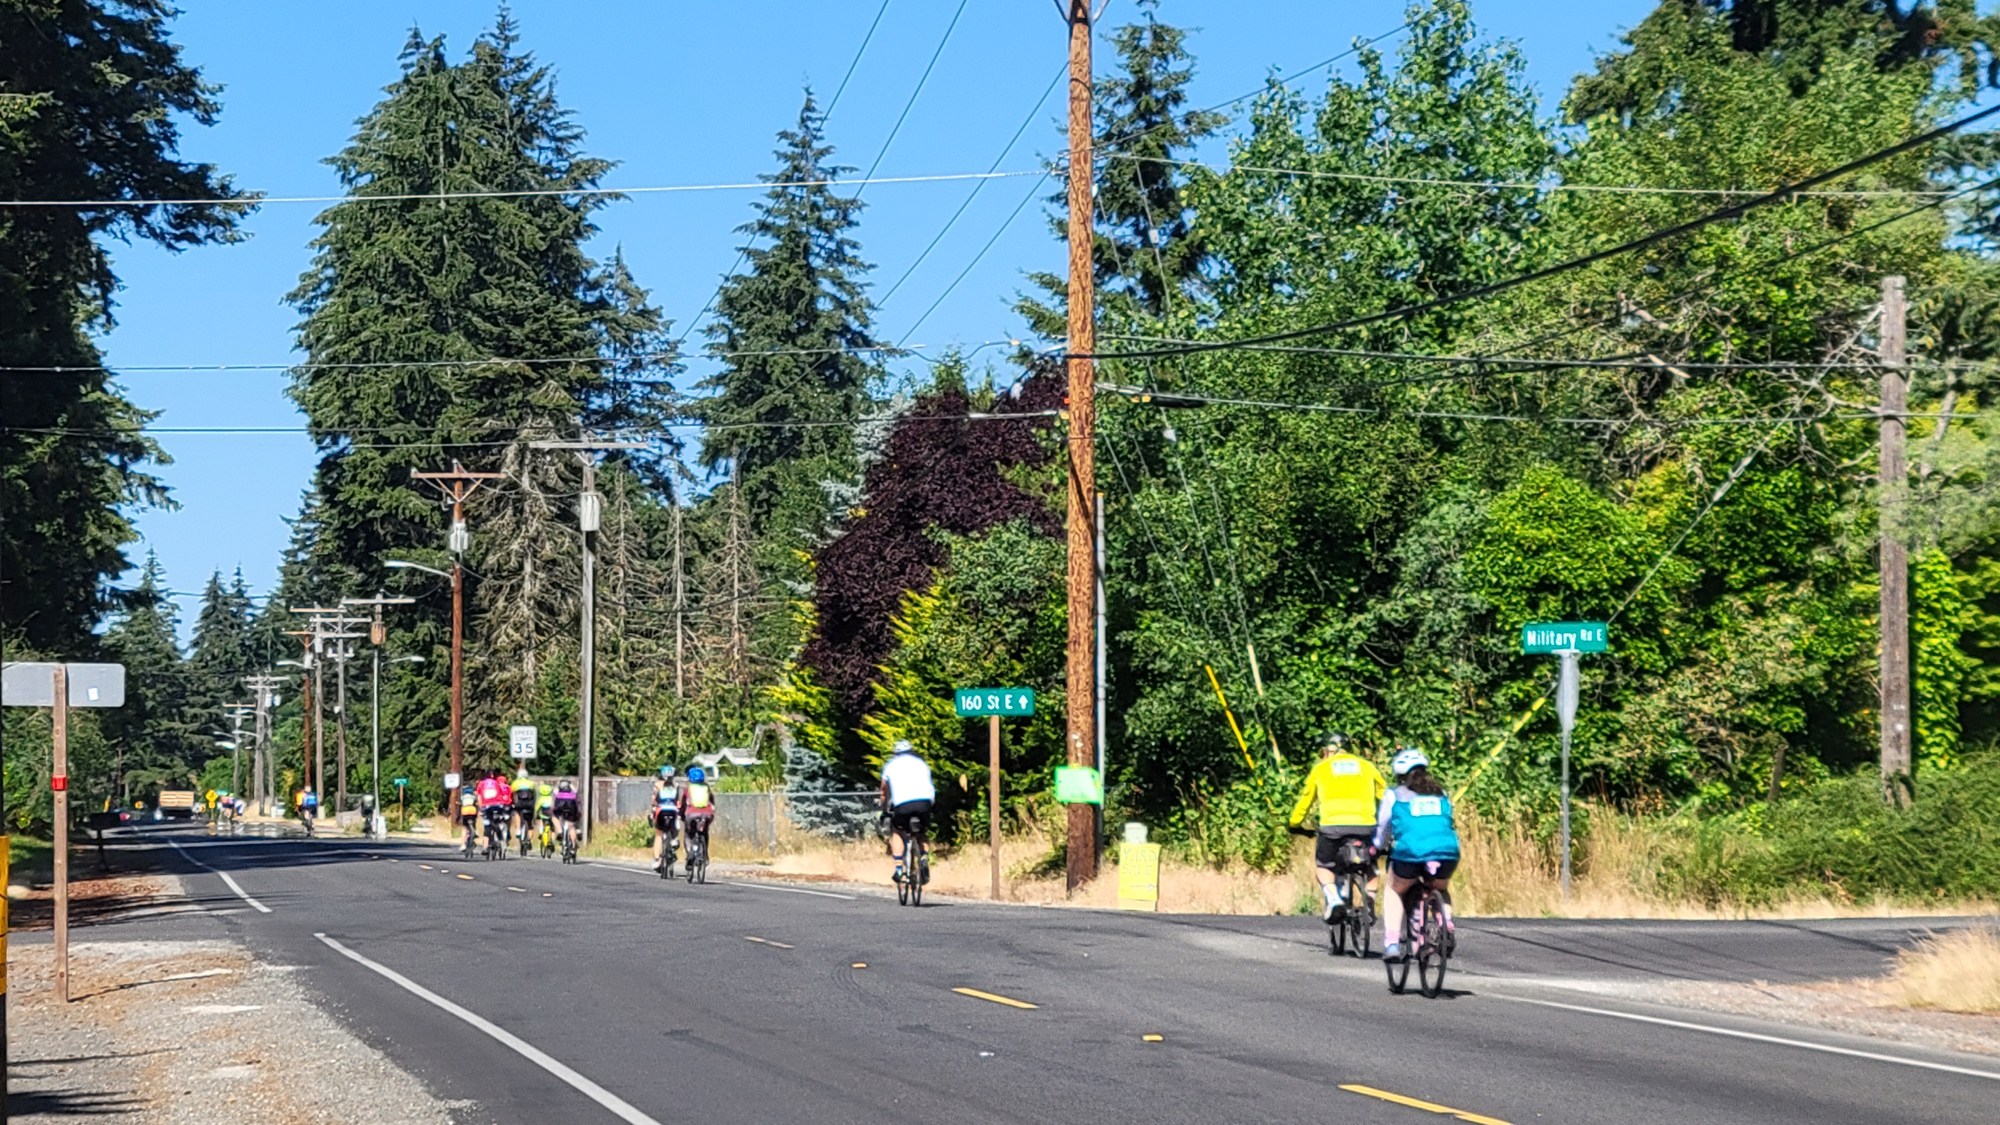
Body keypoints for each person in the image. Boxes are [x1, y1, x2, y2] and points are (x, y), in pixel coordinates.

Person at [1372, 748, 1462, 962]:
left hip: (1410, 852)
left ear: (1401, 776)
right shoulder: (1441, 793)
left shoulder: (1394, 795)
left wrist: (1376, 847)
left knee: (1394, 889)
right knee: (1440, 888)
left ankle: (1392, 943)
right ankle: (1446, 922)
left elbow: (1383, 827)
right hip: (1447, 851)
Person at [1287, 732, 1387, 923]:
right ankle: (1369, 903)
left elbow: (1306, 799)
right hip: (1365, 826)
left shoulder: (1321, 768)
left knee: (1324, 865)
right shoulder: (1367, 766)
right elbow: (1384, 795)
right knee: (1370, 866)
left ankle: (1333, 900)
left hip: (1332, 827)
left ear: (1328, 751)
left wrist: (1295, 823)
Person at [878, 740, 935, 886]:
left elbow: (884, 791)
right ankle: (923, 857)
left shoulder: (890, 765)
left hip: (903, 804)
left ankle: (898, 869)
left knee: (897, 831)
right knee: (921, 832)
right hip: (924, 802)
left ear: (895, 753)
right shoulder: (922, 763)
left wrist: (884, 809)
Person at [677, 766, 716, 874]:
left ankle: (690, 853)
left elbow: (683, 805)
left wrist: (681, 815)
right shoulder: (707, 788)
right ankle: (705, 855)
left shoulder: (688, 789)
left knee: (688, 834)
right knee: (704, 832)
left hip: (692, 814)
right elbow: (712, 801)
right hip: (707, 814)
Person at [651, 765, 680, 871]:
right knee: (675, 828)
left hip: (660, 811)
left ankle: (656, 859)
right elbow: (678, 801)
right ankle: (674, 841)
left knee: (659, 833)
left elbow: (654, 800)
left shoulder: (657, 784)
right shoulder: (676, 785)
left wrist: (652, 812)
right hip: (673, 811)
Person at [550, 779, 581, 852]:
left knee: (554, 817)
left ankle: (560, 831)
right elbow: (578, 803)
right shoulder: (573, 792)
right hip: (571, 810)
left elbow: (553, 803)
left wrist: (551, 810)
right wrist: (578, 813)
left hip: (560, 809)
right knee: (571, 827)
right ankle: (573, 845)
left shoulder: (556, 792)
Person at [511, 767, 539, 847]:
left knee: (517, 813)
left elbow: (511, 794)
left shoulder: (515, 783)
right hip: (530, 805)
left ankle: (518, 830)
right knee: (530, 824)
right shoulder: (531, 783)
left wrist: (512, 803)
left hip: (519, 804)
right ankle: (529, 839)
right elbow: (535, 795)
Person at [457, 783, 481, 849]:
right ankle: (474, 831)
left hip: (465, 812)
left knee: (464, 828)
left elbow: (459, 804)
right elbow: (477, 804)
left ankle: (463, 845)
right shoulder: (473, 797)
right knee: (474, 822)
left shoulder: (462, 797)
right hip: (473, 812)